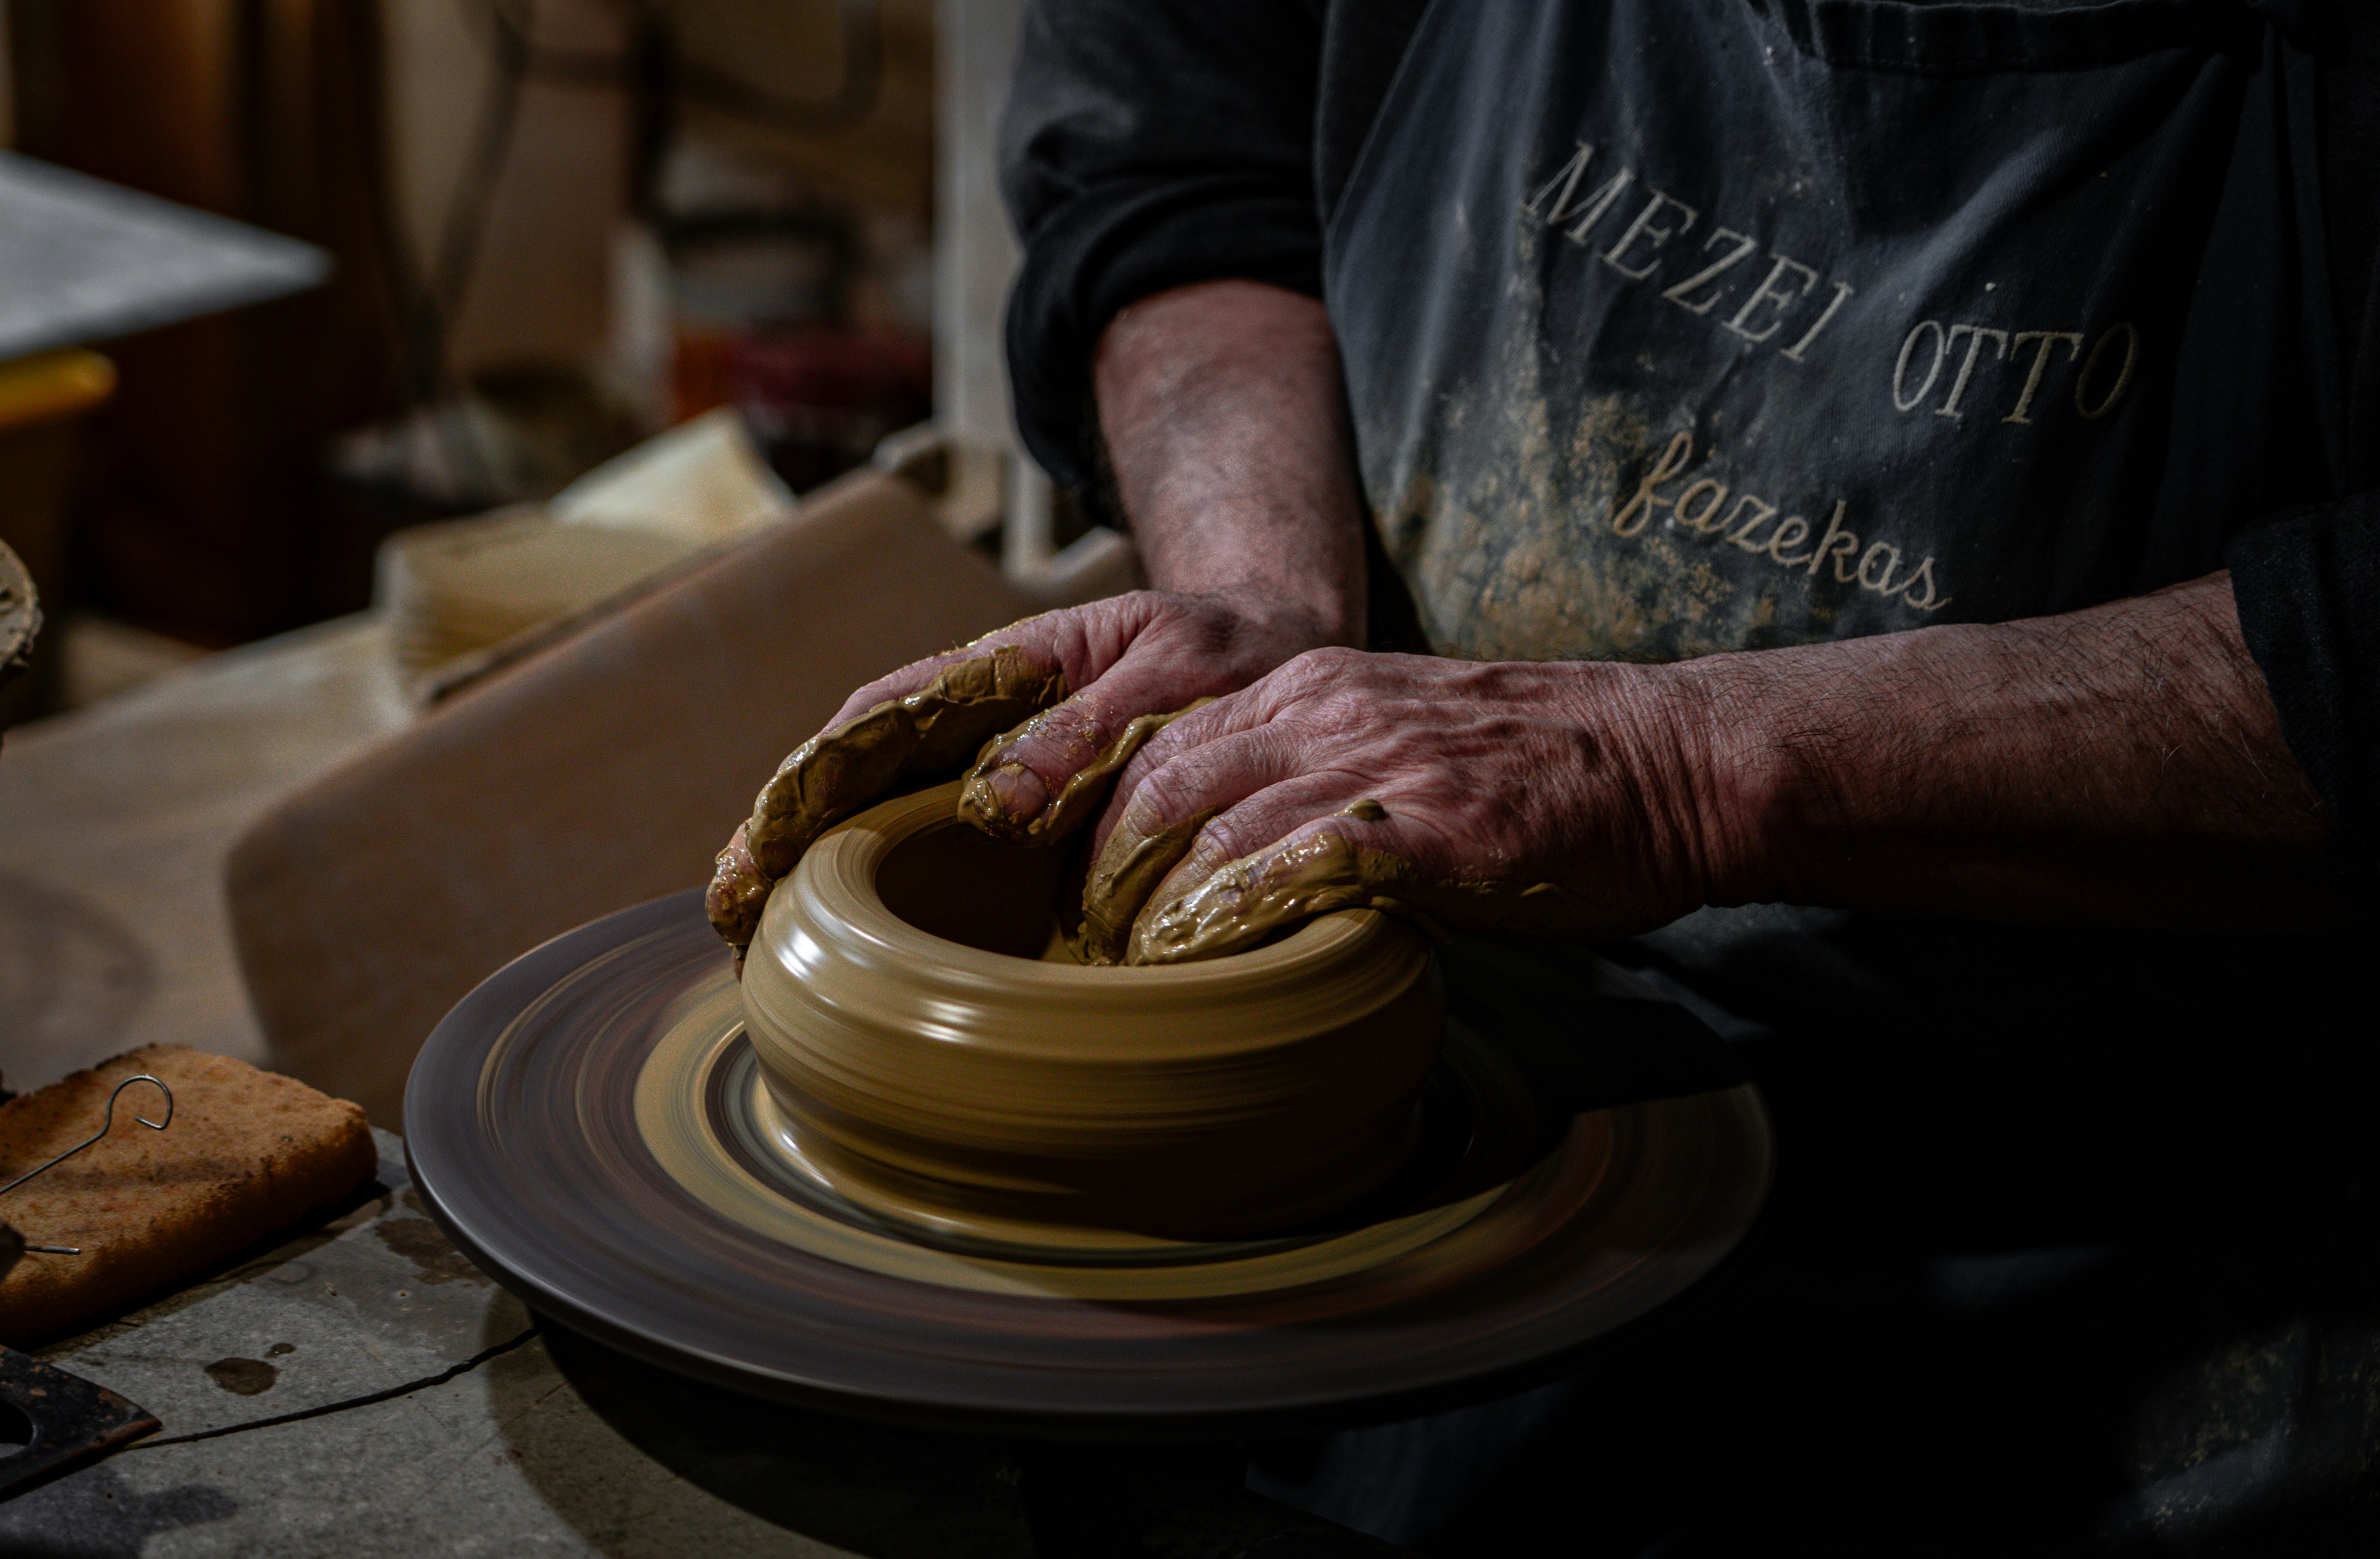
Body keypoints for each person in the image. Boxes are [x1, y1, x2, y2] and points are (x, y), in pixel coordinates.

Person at [714, 2, 2380, 1549]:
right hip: (1459, 1104)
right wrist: (1270, 605)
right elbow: (1184, 140)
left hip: (2175, 1210)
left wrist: (1672, 768)